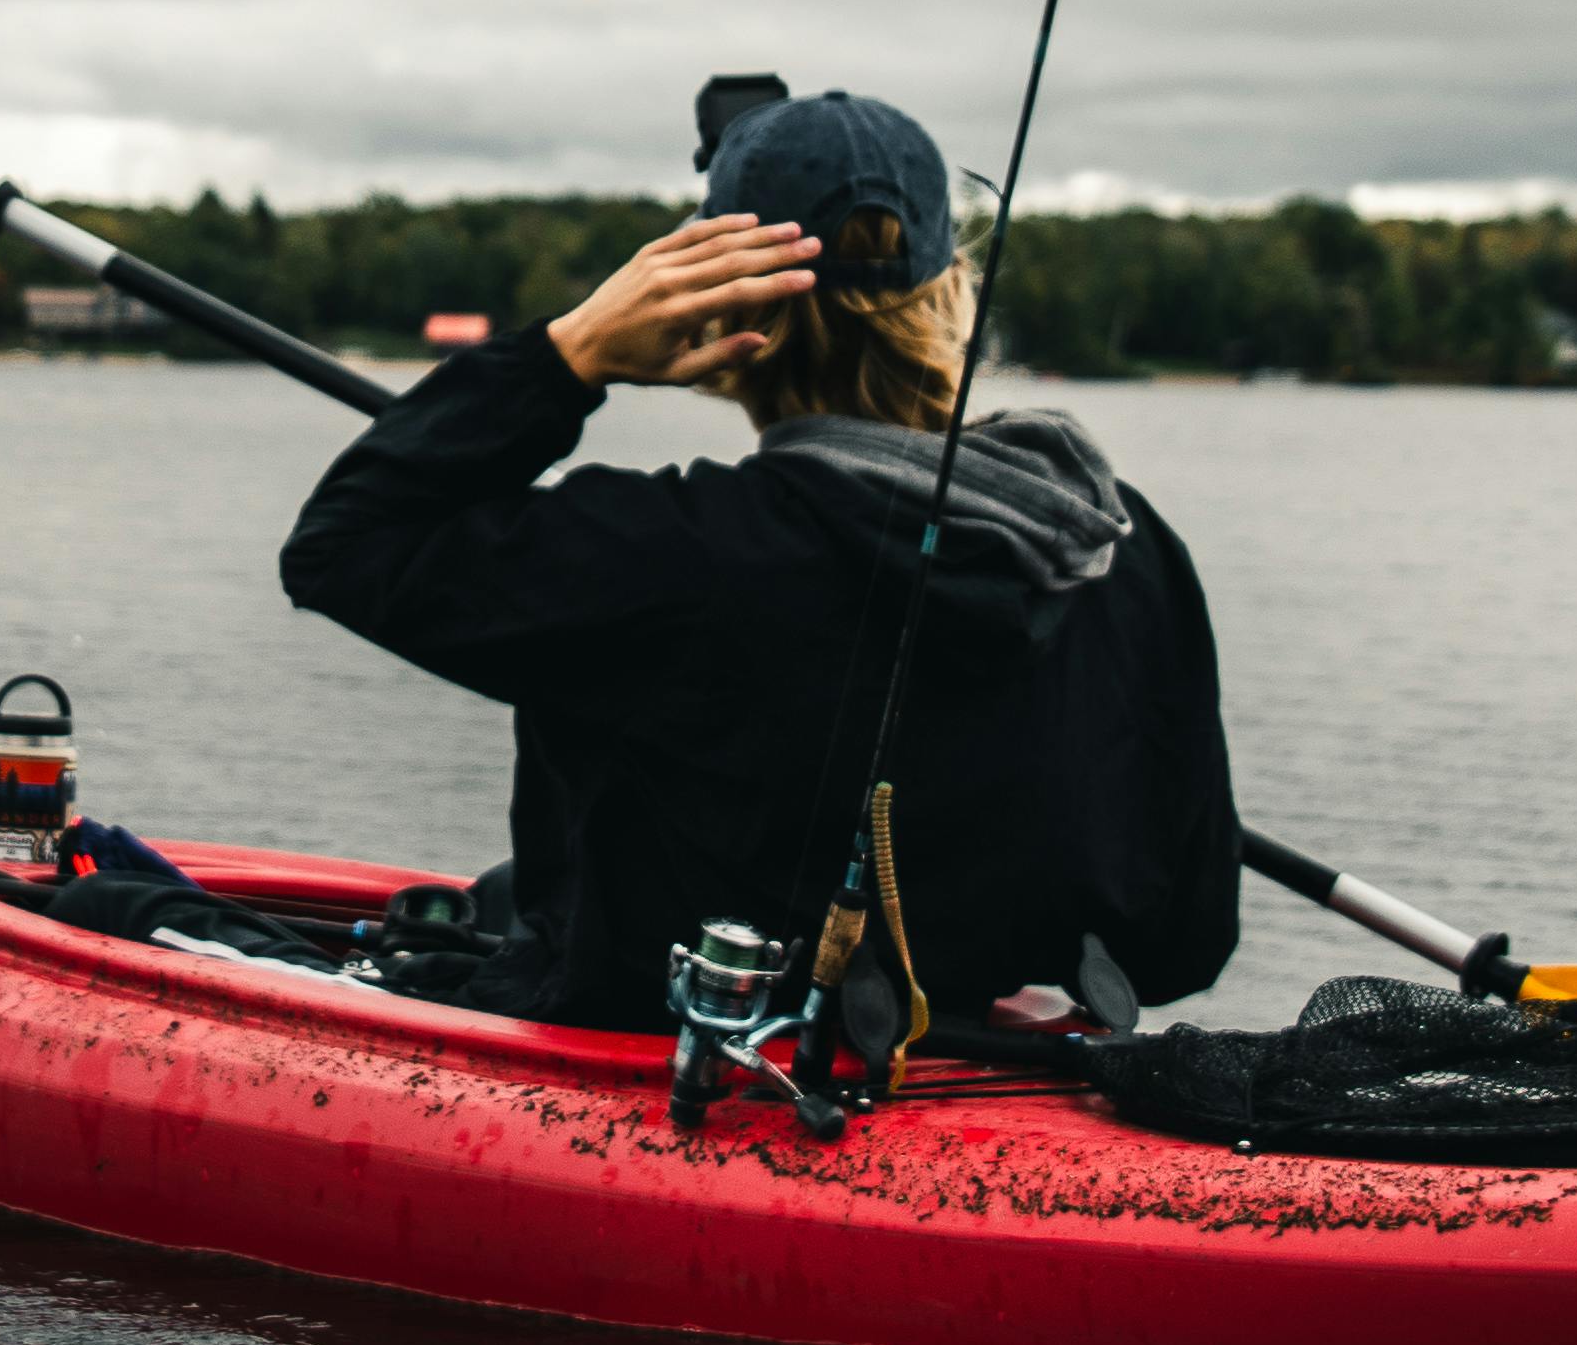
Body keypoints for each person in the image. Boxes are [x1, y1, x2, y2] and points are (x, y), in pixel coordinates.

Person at [279, 88, 1242, 1037]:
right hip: (964, 1059)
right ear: (954, 288)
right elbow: (1181, 945)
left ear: (707, 301)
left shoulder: (673, 551)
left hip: (651, 1059)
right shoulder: (1120, 543)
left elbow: (346, 545)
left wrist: (570, 354)